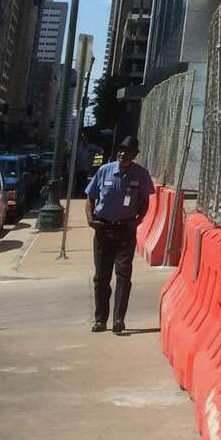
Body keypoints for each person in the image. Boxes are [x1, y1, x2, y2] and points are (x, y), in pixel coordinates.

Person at [85, 136, 154, 334]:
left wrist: (137, 220)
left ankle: (118, 319)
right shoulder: (104, 171)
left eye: (127, 151)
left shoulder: (140, 175)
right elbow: (90, 198)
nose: (123, 154)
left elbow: (145, 202)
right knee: (101, 277)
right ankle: (100, 320)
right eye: (120, 151)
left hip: (125, 231)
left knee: (123, 275)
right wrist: (90, 220)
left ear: (134, 155)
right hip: (103, 229)